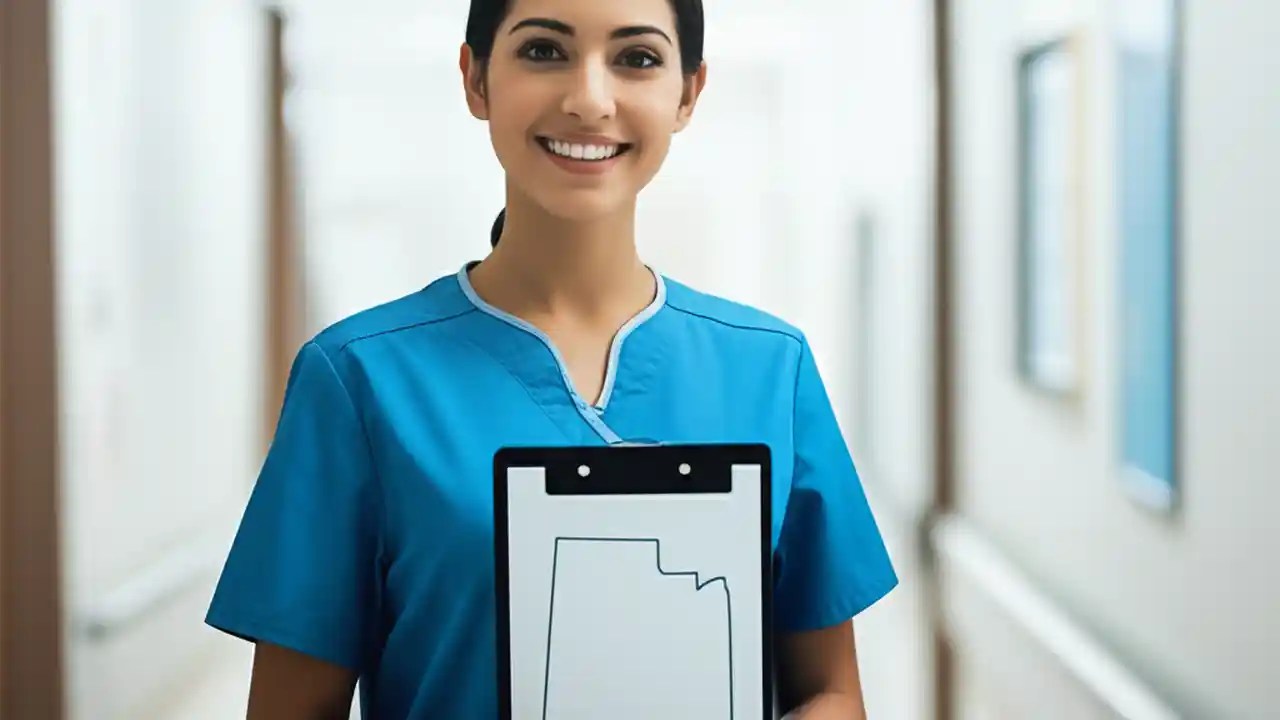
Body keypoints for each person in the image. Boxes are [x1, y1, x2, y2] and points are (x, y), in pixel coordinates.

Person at [204, 0, 898, 717]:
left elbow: (831, 689)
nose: (589, 100)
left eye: (637, 58)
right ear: (477, 80)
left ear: (688, 93)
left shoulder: (769, 371)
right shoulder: (359, 380)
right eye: (543, 51)